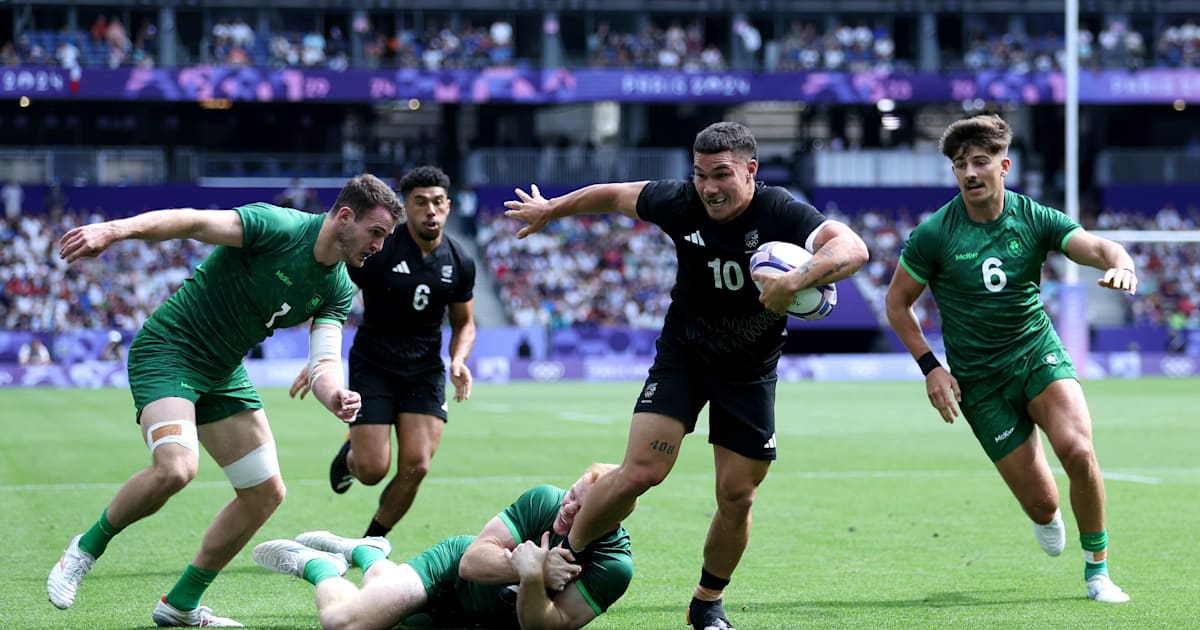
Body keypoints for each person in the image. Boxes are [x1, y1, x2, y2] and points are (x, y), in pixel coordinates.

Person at [503, 121, 870, 629]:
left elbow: (852, 249)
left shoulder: (779, 209)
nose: (709, 187)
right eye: (700, 174)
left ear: (750, 170)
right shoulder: (679, 202)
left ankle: (706, 603)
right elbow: (612, 195)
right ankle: (565, 554)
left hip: (748, 371)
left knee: (737, 496)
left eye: (722, 174)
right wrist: (550, 209)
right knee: (641, 471)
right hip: (684, 355)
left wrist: (795, 281)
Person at [47, 174, 404, 627]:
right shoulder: (278, 226)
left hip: (223, 371)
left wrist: (335, 394)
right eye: (377, 233)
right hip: (171, 350)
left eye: (386, 237)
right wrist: (113, 231)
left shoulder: (338, 286)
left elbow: (325, 362)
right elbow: (191, 221)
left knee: (265, 493)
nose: (380, 245)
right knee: (177, 467)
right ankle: (83, 550)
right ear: (346, 216)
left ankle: (179, 605)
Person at [883, 114, 1134, 604]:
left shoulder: (1034, 217)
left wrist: (1120, 264)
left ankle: (1098, 572)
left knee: (1079, 451)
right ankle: (1048, 514)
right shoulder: (935, 233)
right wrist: (931, 367)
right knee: (1042, 505)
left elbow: (1099, 245)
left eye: (980, 162)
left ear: (1004, 165)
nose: (970, 172)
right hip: (980, 383)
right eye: (960, 165)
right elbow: (897, 304)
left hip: (1037, 354)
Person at [291, 165, 476, 540]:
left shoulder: (460, 261)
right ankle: (349, 456)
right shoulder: (380, 250)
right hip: (374, 365)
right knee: (373, 469)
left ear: (449, 206)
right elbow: (334, 293)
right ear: (406, 207)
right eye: (420, 202)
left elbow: (464, 323)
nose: (430, 210)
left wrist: (458, 359)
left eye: (438, 202)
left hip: (424, 371)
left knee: (416, 467)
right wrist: (319, 358)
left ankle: (372, 541)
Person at [252, 462, 634, 630]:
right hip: (448, 572)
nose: (566, 508)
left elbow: (543, 627)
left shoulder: (614, 566)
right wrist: (523, 565)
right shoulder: (544, 500)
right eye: (571, 494)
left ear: (611, 520)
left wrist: (534, 577)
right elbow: (471, 561)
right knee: (346, 622)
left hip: (476, 615)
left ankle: (367, 552)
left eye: (581, 507)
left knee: (389, 607)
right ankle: (319, 566)